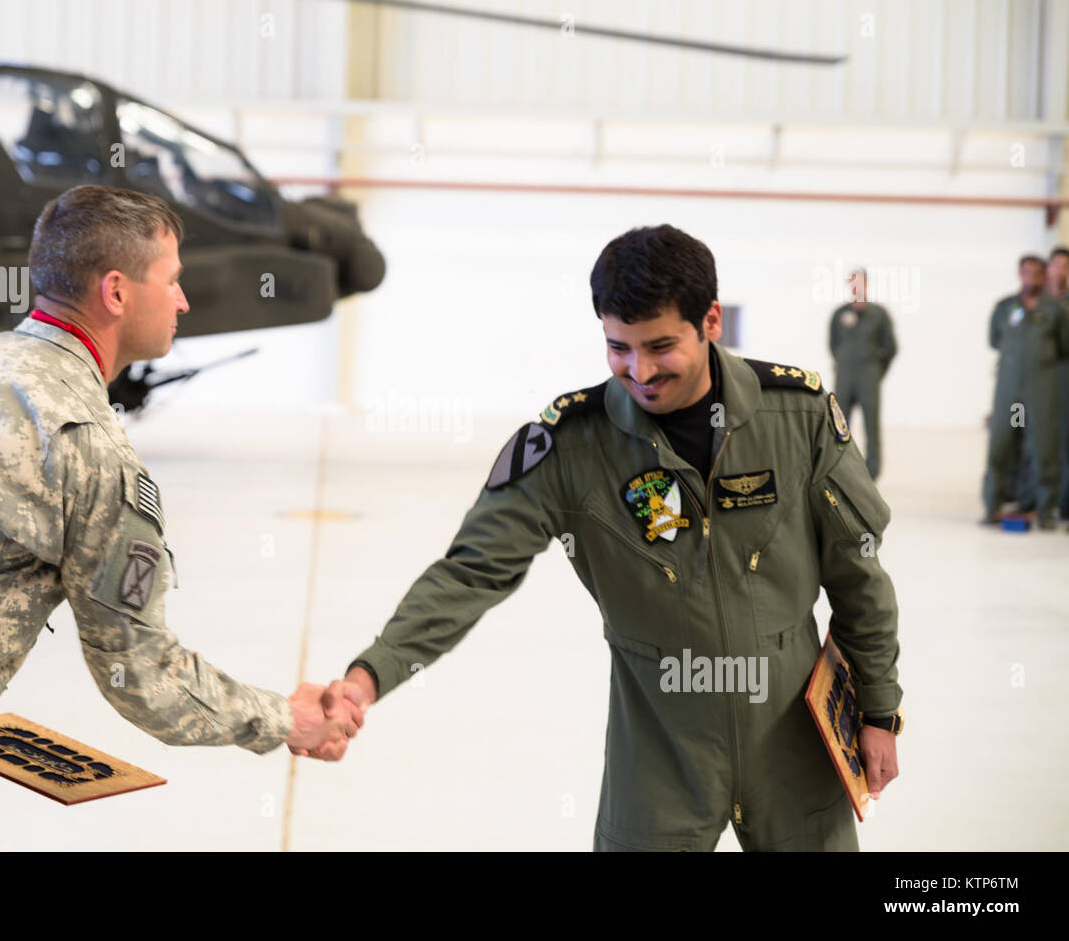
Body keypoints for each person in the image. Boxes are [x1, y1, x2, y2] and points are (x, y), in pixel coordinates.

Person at [0, 185, 360, 853]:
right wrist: (286, 719)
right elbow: (141, 675)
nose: (183, 300)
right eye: (172, 280)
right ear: (116, 292)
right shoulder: (89, 446)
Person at [318, 224, 904, 851]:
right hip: (658, 747)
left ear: (710, 321)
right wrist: (369, 675)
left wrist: (877, 711)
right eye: (618, 348)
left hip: (793, 733)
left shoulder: (798, 417)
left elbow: (857, 574)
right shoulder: (571, 445)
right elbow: (471, 572)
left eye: (660, 346)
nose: (640, 371)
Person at [981, 255, 1069, 528]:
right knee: (1000, 446)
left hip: (1040, 390)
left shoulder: (1054, 311)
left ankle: (1044, 511)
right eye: (1026, 272)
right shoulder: (1005, 307)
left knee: (1042, 449)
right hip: (1008, 391)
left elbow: (1063, 347)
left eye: (1037, 273)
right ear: (1020, 274)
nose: (1031, 278)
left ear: (1044, 277)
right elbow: (995, 340)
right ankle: (992, 507)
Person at [828, 267, 896, 480]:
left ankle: (871, 474)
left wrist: (876, 372)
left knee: (871, 428)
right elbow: (833, 344)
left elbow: (891, 348)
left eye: (859, 282)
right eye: (852, 283)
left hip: (869, 378)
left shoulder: (879, 314)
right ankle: (839, 471)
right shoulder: (839, 314)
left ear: (866, 285)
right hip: (844, 379)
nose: (856, 287)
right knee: (839, 427)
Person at [1048, 247, 1069, 520]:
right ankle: (1034, 500)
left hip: (1064, 384)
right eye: (1056, 265)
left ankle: (1062, 505)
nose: (1060, 271)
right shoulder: (1032, 302)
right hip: (1033, 389)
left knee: (1064, 445)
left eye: (1066, 266)